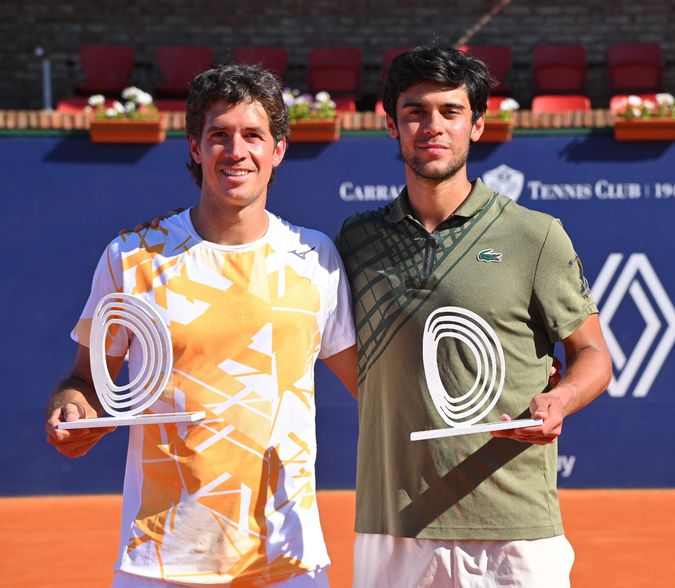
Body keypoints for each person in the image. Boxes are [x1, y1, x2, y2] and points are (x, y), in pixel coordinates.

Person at [45, 64, 358, 588]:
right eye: (219, 135)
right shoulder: (132, 257)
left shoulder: (315, 258)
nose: (236, 151)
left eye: (253, 135)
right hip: (161, 559)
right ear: (195, 147)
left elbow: (369, 387)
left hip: (287, 558)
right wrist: (71, 410)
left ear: (277, 150)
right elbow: (85, 382)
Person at [335, 43, 612, 587]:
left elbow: (594, 354)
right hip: (395, 526)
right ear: (391, 125)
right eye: (415, 112)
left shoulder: (535, 235)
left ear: (478, 124)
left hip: (513, 528)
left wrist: (561, 398)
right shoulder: (356, 241)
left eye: (450, 111)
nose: (431, 126)